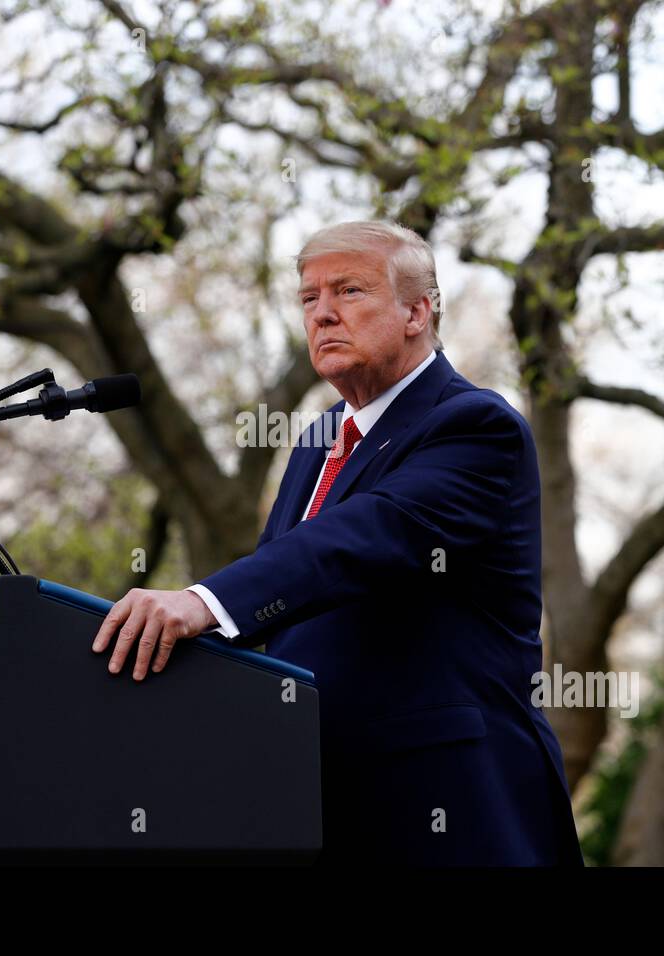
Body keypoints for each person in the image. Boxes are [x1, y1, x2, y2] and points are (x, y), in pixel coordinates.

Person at [91, 220, 583, 865]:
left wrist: (202, 603)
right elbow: (286, 604)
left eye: (349, 291)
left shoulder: (474, 425)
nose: (322, 314)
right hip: (320, 801)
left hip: (448, 804)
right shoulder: (319, 439)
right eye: (308, 297)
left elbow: (366, 536)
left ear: (416, 311)